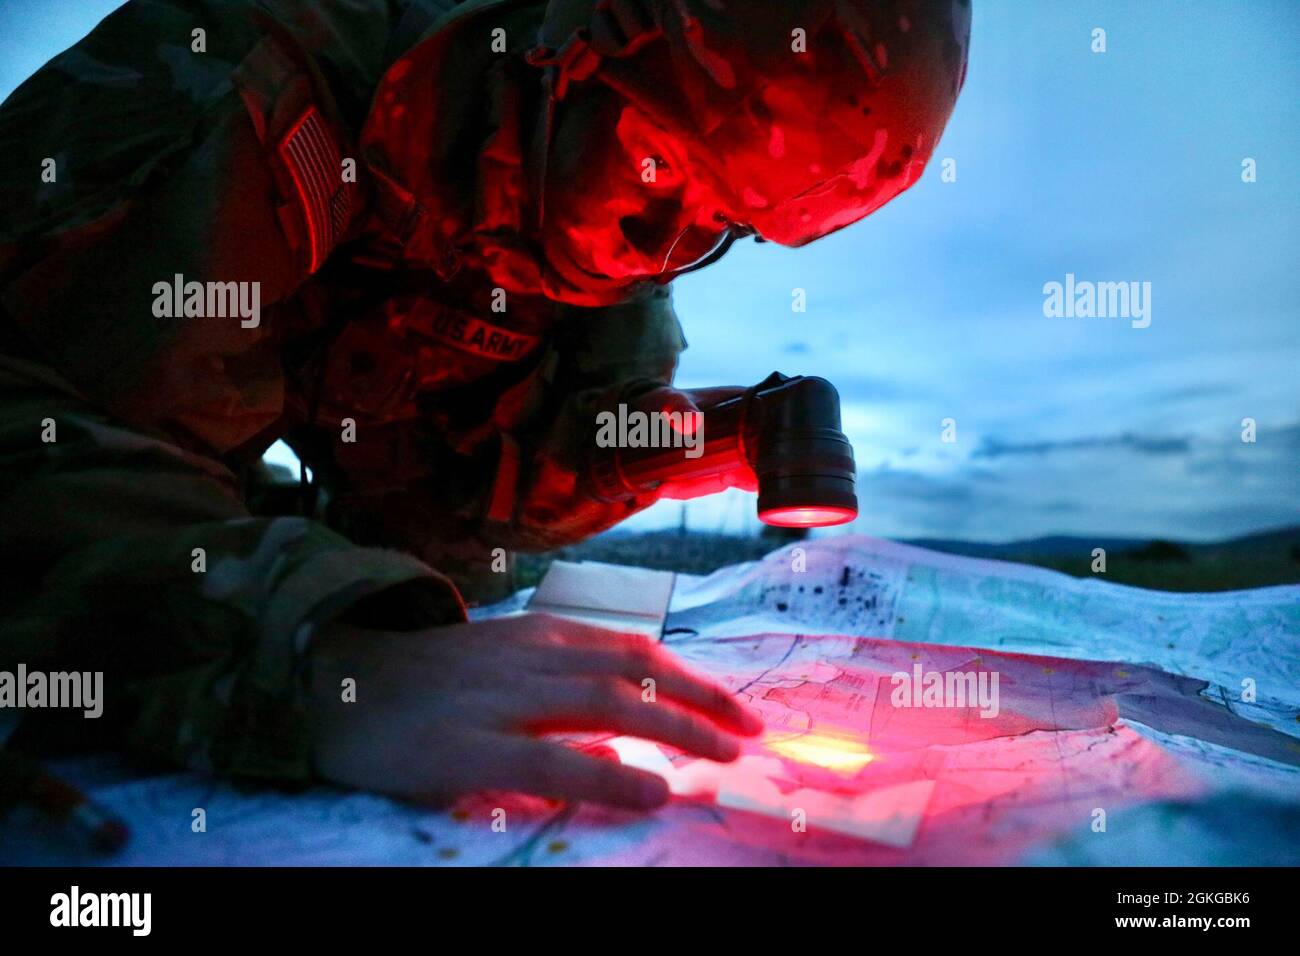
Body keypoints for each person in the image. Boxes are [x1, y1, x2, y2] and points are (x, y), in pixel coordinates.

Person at [0, 0, 970, 808]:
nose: (655, 241)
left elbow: (478, 496)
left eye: (720, 220)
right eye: (661, 164)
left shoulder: (590, 245)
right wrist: (324, 656)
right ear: (574, 41)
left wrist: (711, 440)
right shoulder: (243, 79)